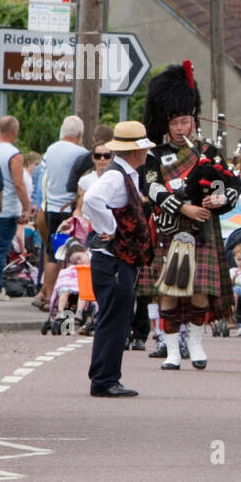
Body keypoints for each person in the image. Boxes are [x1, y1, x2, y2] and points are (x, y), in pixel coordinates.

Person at [142, 61, 241, 372]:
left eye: (185, 121)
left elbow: (231, 185)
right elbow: (151, 189)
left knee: (200, 292)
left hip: (203, 231)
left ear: (193, 120)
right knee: (168, 293)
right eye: (175, 123)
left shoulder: (209, 152)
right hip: (171, 230)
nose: (180, 128)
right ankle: (171, 350)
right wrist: (182, 206)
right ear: (166, 123)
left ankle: (196, 343)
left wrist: (218, 198)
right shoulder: (154, 154)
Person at [81, 121, 156, 396]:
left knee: (115, 318)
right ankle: (104, 380)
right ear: (136, 151)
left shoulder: (125, 174)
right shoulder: (116, 176)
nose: (146, 153)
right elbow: (91, 200)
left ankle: (105, 376)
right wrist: (110, 228)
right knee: (114, 319)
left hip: (115, 259)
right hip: (112, 259)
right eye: (144, 148)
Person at [34, 115, 89, 310]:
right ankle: (64, 298)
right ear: (79, 133)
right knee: (74, 255)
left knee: (52, 254)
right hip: (69, 210)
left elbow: (44, 175)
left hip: (51, 209)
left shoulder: (51, 149)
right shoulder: (81, 153)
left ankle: (48, 296)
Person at [0, 115, 32, 300]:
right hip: (8, 208)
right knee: (0, 249)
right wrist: (27, 207)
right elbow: (19, 183)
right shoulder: (14, 154)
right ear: (15, 132)